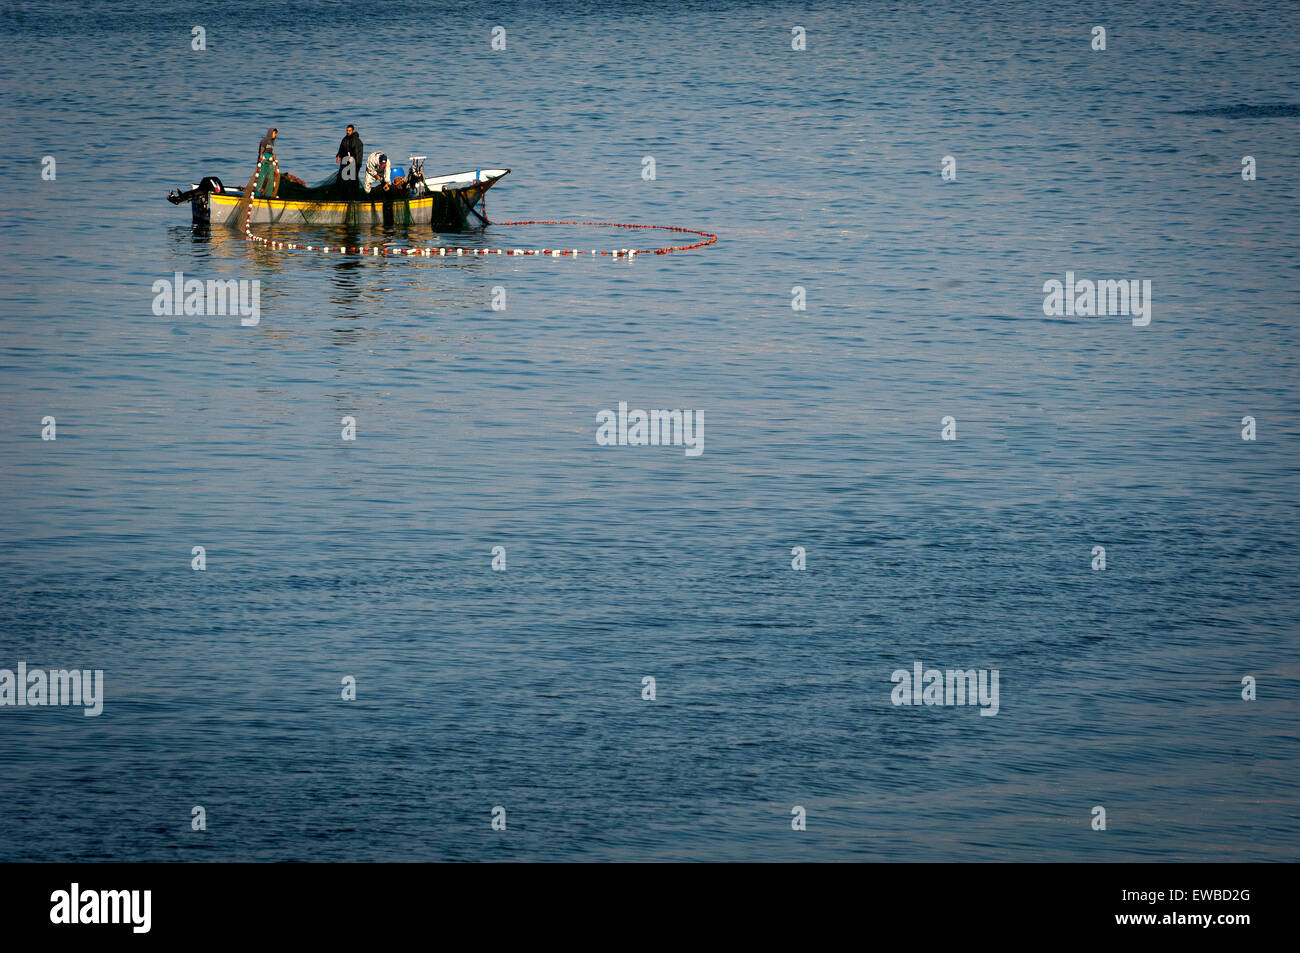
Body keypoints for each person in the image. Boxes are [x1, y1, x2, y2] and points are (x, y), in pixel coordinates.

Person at [336, 125, 364, 196]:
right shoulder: (345, 139)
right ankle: (344, 193)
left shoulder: (356, 140)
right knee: (343, 177)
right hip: (346, 162)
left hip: (355, 163)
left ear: (352, 131)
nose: (347, 132)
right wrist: (338, 156)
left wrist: (353, 157)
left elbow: (357, 150)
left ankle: (354, 194)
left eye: (349, 131)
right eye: (347, 130)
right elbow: (341, 147)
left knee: (353, 179)